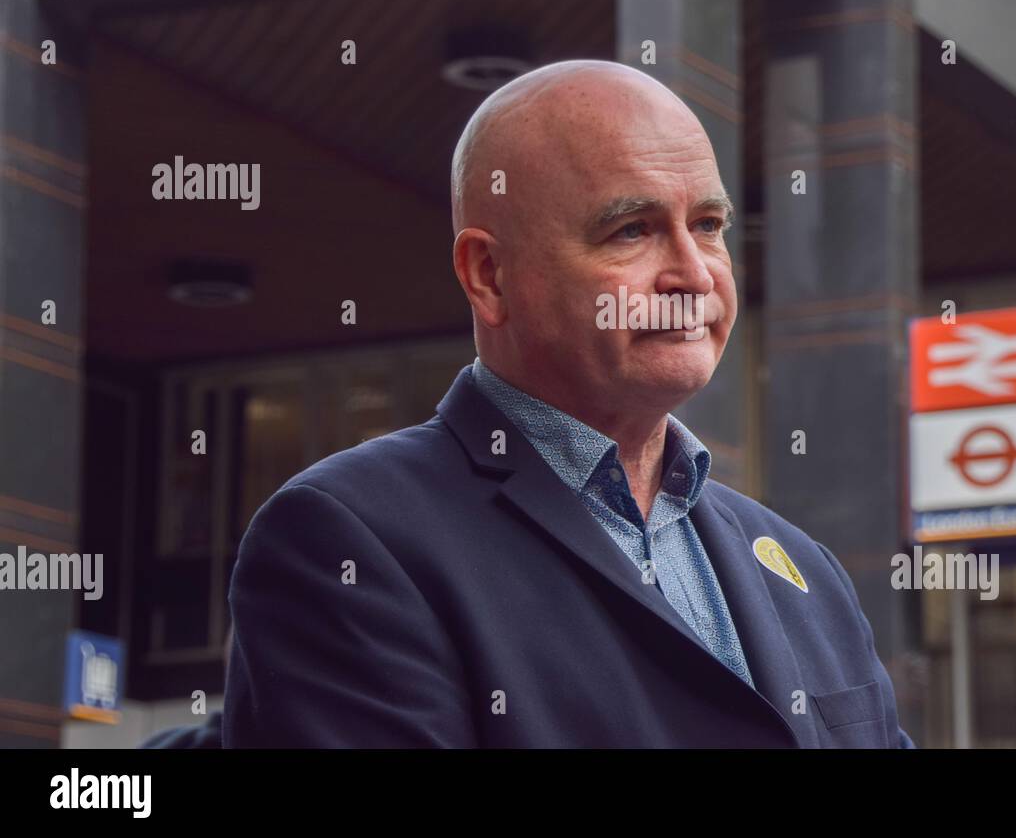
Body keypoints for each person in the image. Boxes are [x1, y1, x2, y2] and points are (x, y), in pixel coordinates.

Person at [223, 60, 915, 748]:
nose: (693, 274)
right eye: (632, 230)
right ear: (490, 276)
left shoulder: (805, 571)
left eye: (707, 224)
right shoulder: (349, 540)